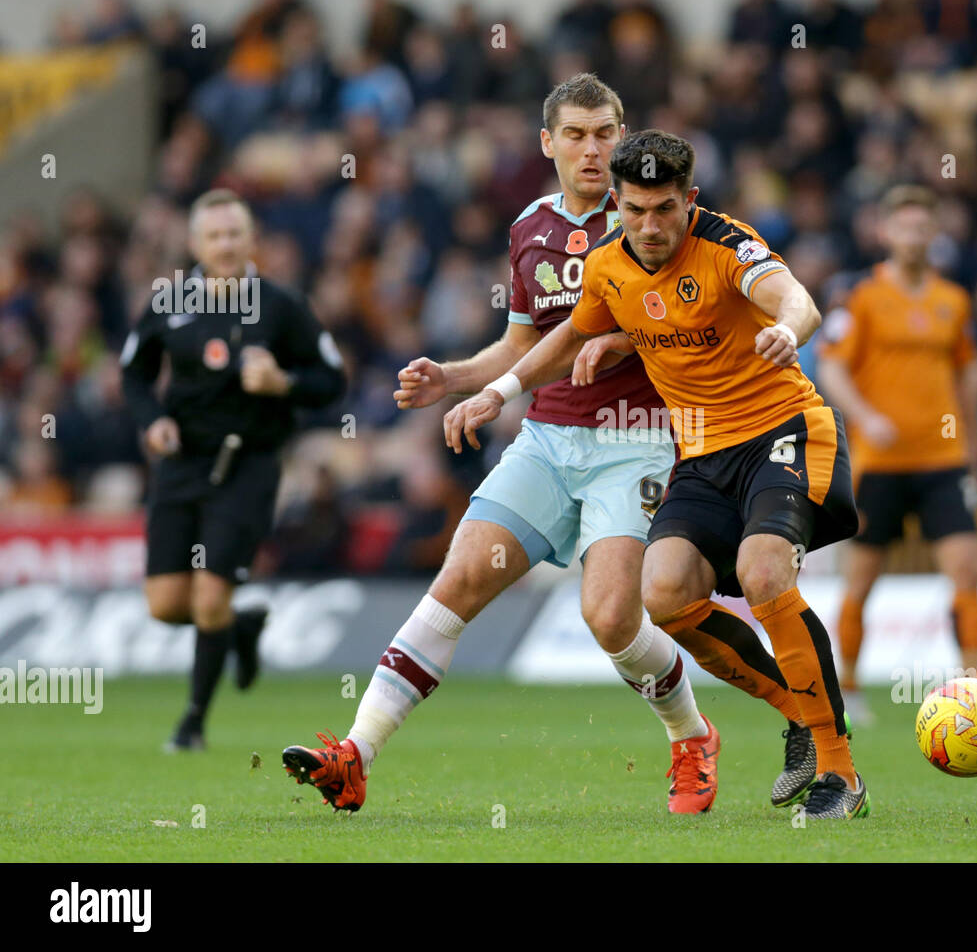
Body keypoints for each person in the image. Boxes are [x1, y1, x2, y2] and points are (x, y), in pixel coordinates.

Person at [283, 76, 817, 816]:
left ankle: (692, 736)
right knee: (461, 577)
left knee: (611, 618)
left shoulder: (656, 216)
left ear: (623, 137)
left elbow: (685, 307)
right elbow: (522, 343)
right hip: (547, 436)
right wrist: (458, 376)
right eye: (576, 134)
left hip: (639, 440)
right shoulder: (530, 227)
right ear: (548, 143)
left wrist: (619, 339)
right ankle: (355, 753)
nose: (592, 149)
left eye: (604, 133)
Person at [444, 129, 869, 819]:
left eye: (664, 209)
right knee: (664, 594)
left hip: (782, 434)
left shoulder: (728, 243)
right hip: (701, 456)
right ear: (616, 202)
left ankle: (840, 773)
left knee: (765, 575)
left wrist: (789, 330)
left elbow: (797, 298)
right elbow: (574, 335)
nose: (649, 225)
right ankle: (799, 710)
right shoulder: (610, 264)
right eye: (635, 210)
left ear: (689, 201)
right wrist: (503, 388)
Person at [120, 188, 347, 751]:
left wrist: (284, 383)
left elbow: (332, 377)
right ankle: (239, 630)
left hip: (247, 467)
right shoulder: (169, 302)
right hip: (180, 466)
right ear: (195, 243)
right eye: (214, 235)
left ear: (251, 240)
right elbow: (133, 374)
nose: (224, 245)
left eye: (234, 234)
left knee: (208, 598)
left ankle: (192, 723)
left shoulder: (281, 305)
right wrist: (151, 423)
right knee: (166, 605)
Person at [816, 185, 977, 724]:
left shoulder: (953, 301)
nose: (914, 236)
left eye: (922, 227)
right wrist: (866, 419)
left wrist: (972, 440)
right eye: (904, 226)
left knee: (966, 571)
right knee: (861, 581)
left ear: (934, 234)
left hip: (943, 460)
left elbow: (966, 372)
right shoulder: (861, 299)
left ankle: (975, 692)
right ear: (885, 232)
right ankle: (847, 686)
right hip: (879, 467)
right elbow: (833, 368)